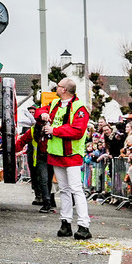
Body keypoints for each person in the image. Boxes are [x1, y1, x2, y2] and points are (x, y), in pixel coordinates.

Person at [45, 77, 91, 240]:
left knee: (75, 189)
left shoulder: (79, 108)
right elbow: (40, 111)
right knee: (64, 190)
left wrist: (54, 130)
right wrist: (43, 114)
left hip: (71, 154)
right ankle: (65, 223)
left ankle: (84, 225)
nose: (56, 88)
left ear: (64, 89)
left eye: (58, 86)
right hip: (57, 153)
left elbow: (77, 131)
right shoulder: (55, 104)